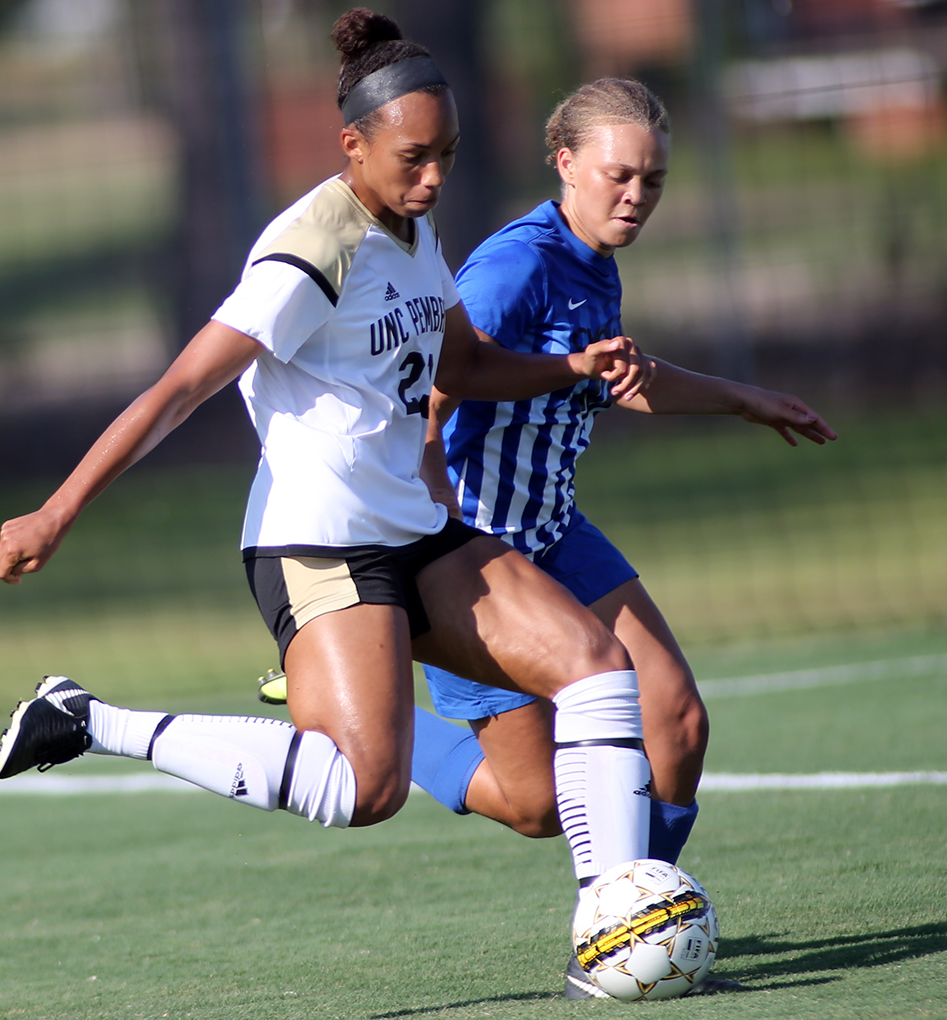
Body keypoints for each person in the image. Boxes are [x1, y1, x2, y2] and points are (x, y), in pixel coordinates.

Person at [0, 11, 663, 929]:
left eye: (448, 156)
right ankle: (90, 720)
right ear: (354, 144)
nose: (434, 178)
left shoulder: (412, 225)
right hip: (321, 545)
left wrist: (570, 367)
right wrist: (56, 511)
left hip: (417, 528)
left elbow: (462, 363)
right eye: (414, 158)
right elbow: (177, 391)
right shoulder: (309, 251)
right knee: (363, 789)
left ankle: (617, 923)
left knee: (595, 668)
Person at [253, 77, 837, 998]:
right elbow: (437, 386)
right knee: (532, 804)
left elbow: (609, 377)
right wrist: (433, 508)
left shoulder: (594, 259)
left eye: (653, 179)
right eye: (618, 175)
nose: (636, 195)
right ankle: (348, 679)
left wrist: (745, 400)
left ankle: (627, 932)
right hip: (478, 551)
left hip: (556, 529)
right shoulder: (514, 268)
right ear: (565, 163)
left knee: (677, 721)